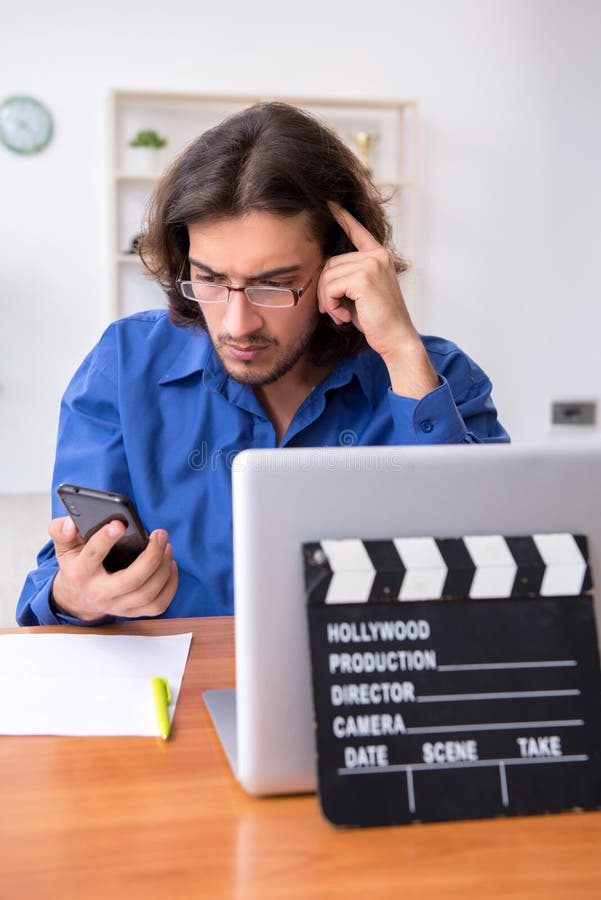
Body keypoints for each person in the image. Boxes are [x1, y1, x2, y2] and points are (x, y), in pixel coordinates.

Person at [17, 102, 509, 627]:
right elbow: (54, 581)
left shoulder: (437, 377)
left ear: (338, 264)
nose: (237, 323)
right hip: (175, 694)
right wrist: (79, 595)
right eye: (209, 278)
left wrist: (403, 354)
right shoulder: (123, 366)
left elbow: (502, 582)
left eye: (273, 284)